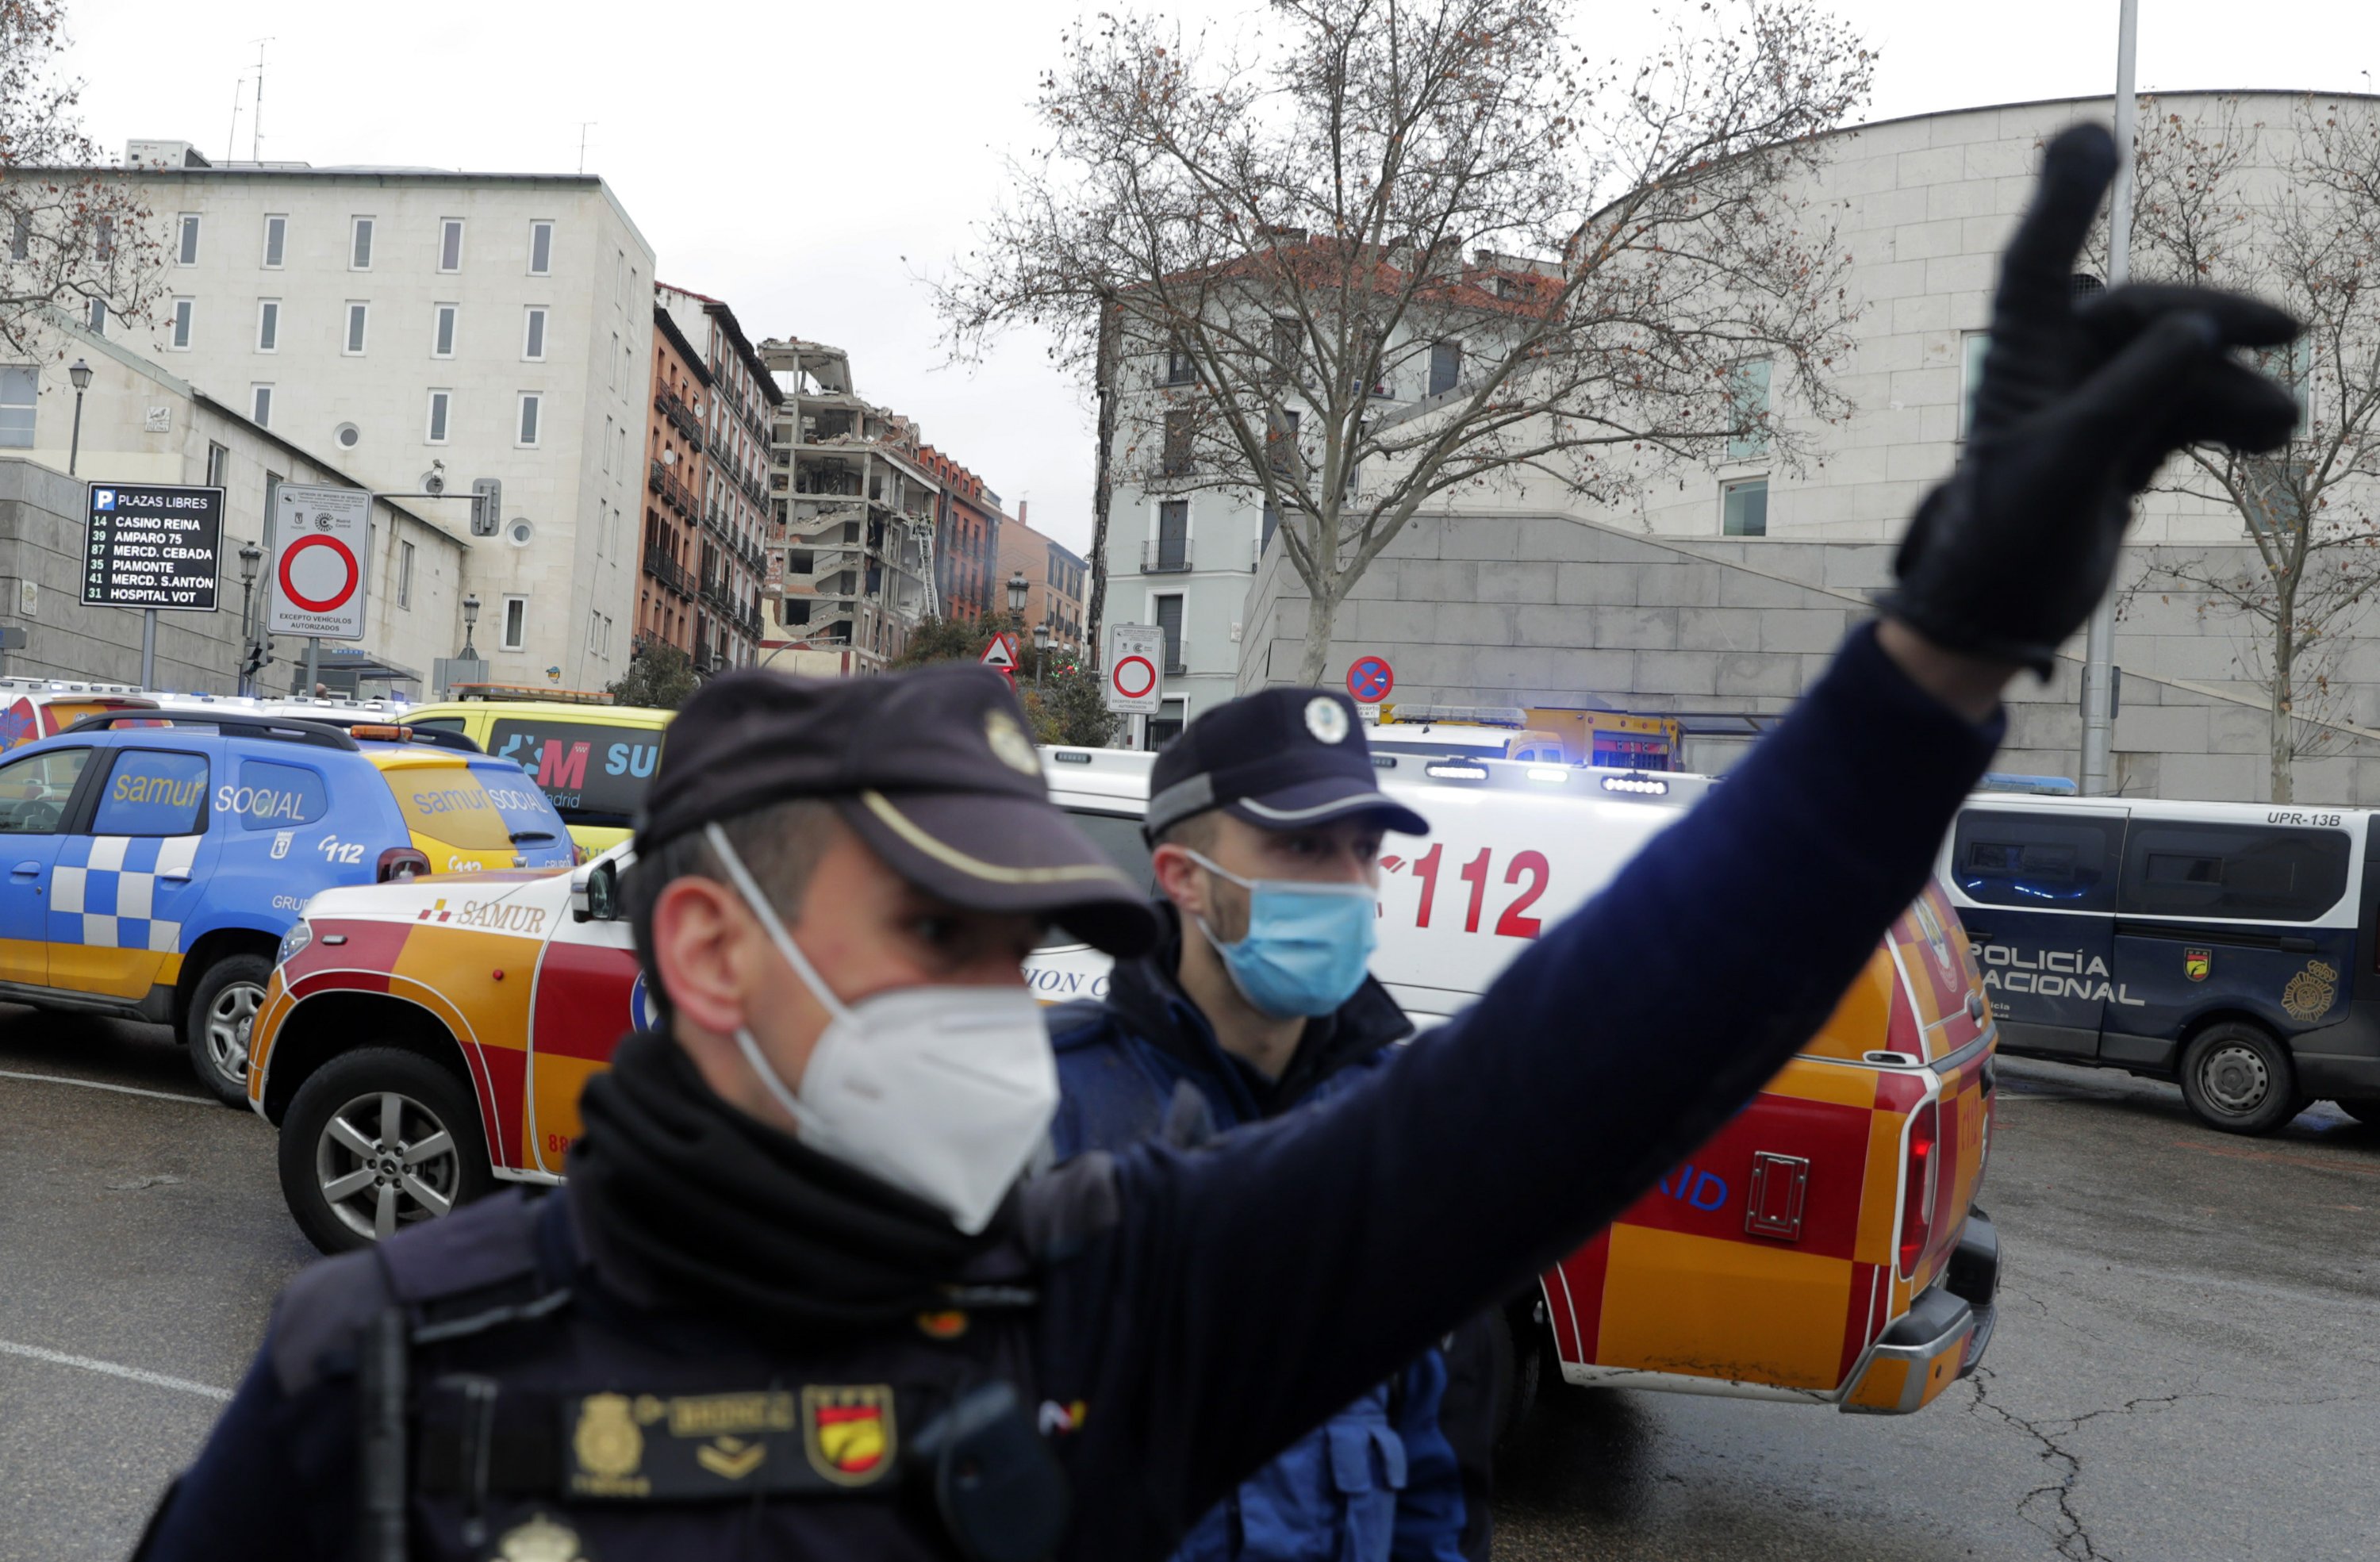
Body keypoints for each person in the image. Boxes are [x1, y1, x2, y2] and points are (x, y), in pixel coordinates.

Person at [135, 125, 2301, 1562]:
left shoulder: (1112, 1300)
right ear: (707, 954)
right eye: (937, 933)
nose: (998, 1002)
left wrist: (1935, 657)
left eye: (1021, 949)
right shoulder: (384, 1379)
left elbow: (1578, 1067)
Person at [1045, 689, 1484, 1562]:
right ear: (1183, 876)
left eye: (1365, 851)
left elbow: (1437, 1474)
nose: (1352, 883)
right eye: (1304, 846)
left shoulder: (1400, 1130)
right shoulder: (1050, 1108)